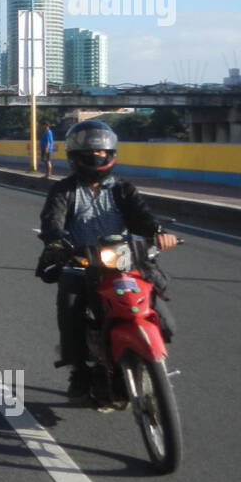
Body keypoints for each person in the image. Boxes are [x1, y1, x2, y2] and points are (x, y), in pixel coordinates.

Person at [37, 120, 178, 398]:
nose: (96, 157)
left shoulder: (123, 190)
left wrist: (158, 233)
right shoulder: (64, 190)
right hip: (82, 264)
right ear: (76, 156)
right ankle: (78, 367)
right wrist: (56, 242)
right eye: (90, 153)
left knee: (164, 320)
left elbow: (142, 218)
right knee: (69, 304)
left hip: (123, 262)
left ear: (111, 153)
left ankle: (151, 358)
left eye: (102, 153)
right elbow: (52, 220)